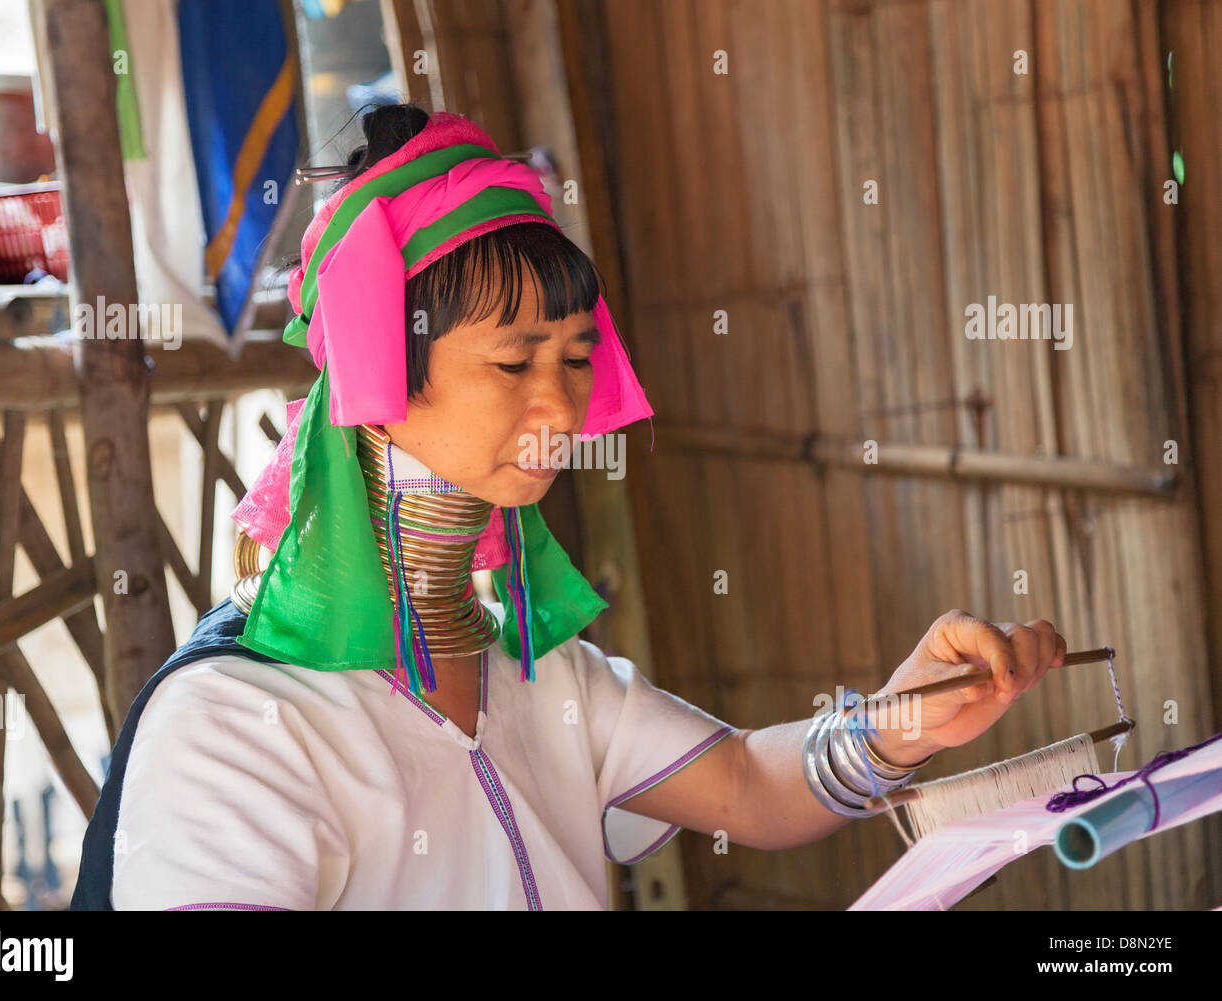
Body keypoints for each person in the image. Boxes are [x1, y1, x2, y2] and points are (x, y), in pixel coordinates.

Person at [69, 104, 1066, 911]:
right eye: (513, 361)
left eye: (577, 357)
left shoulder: (544, 677)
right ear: (377, 382)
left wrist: (907, 717)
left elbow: (750, 789)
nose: (561, 403)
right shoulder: (240, 725)